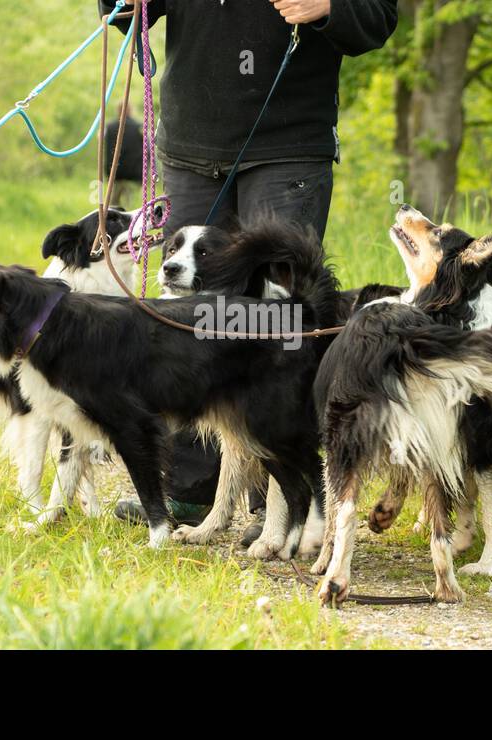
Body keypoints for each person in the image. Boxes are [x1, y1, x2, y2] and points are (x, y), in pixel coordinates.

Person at [101, 0, 398, 541]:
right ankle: (188, 490)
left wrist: (330, 7)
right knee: (188, 327)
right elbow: (129, 13)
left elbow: (376, 17)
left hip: (288, 148)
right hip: (190, 141)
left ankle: (281, 502)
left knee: (276, 330)